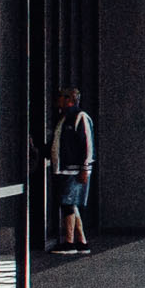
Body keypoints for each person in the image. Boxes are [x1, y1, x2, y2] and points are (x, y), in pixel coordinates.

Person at [49, 87, 97, 252]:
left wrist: (85, 168)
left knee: (67, 204)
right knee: (70, 204)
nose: (57, 100)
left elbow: (88, 145)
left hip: (74, 170)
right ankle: (81, 241)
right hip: (63, 169)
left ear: (70, 99)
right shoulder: (64, 119)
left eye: (61, 97)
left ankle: (69, 242)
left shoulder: (80, 117)